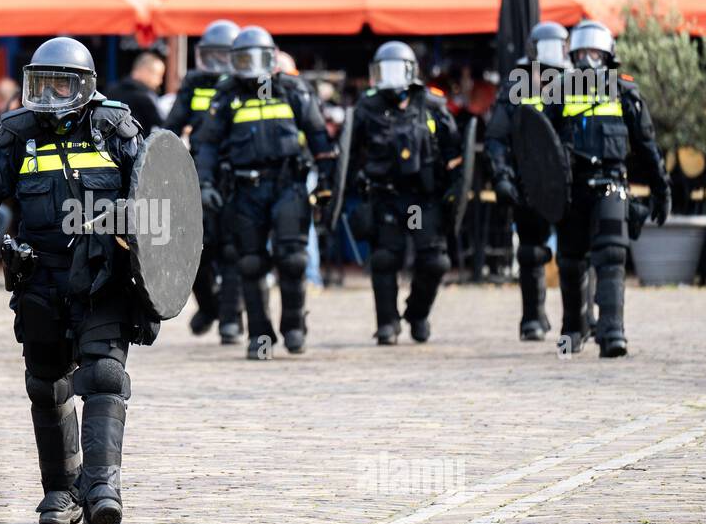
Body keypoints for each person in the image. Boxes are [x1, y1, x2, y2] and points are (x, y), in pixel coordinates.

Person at [0, 37, 156, 524]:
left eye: (59, 84)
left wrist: (151, 276)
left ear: (85, 86)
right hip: (41, 277)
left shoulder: (115, 129)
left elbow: (157, 200)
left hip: (103, 276)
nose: (48, 94)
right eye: (39, 83)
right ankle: (60, 490)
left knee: (104, 376)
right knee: (46, 385)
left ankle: (101, 490)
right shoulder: (14, 135)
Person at [194, 26, 337, 359]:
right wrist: (205, 184)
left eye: (257, 58)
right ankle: (259, 335)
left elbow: (318, 136)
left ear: (272, 58)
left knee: (293, 259)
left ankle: (294, 326)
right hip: (244, 189)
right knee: (250, 263)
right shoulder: (226, 95)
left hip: (288, 185)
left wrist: (328, 180)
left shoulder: (293, 90)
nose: (251, 66)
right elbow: (207, 145)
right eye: (243, 59)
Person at [550, 20, 670, 357]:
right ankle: (572, 329)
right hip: (571, 189)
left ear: (608, 54)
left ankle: (612, 331)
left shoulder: (625, 91)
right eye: (583, 52)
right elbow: (538, 146)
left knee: (611, 255)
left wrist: (662, 188)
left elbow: (647, 146)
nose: (589, 58)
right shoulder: (557, 91)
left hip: (611, 185)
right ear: (573, 54)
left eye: (595, 51)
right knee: (571, 261)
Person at [348, 42, 464, 345]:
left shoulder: (431, 105)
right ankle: (387, 322)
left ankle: (417, 313)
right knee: (386, 257)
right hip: (386, 196)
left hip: (421, 200)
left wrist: (454, 187)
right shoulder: (367, 108)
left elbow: (454, 151)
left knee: (433, 261)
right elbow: (350, 153)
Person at [486, 21, 570, 341]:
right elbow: (496, 138)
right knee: (532, 251)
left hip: (569, 180)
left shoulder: (578, 82)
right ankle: (532, 317)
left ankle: (581, 319)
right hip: (529, 180)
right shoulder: (515, 87)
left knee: (576, 253)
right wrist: (503, 177)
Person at [163, 19, 243, 343]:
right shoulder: (194, 82)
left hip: (237, 174)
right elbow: (171, 125)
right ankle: (210, 307)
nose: (216, 64)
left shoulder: (245, 83)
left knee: (234, 251)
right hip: (198, 175)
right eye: (210, 56)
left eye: (223, 56)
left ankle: (231, 320)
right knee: (194, 252)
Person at [107, 50, 165, 133]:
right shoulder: (146, 96)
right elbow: (166, 124)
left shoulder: (111, 89)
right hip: (139, 144)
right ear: (145, 71)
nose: (160, 81)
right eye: (158, 75)